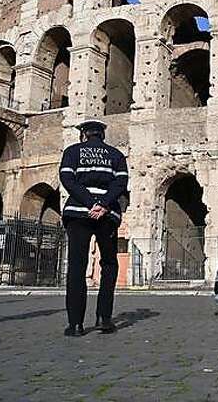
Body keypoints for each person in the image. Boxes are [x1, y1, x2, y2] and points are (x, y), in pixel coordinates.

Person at [59, 118, 128, 337]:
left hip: (79, 212)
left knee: (77, 266)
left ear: (84, 134)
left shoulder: (72, 152)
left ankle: (76, 324)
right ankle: (104, 318)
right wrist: (103, 204)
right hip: (107, 215)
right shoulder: (116, 155)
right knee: (109, 263)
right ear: (102, 135)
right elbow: (121, 184)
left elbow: (68, 180)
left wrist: (89, 203)